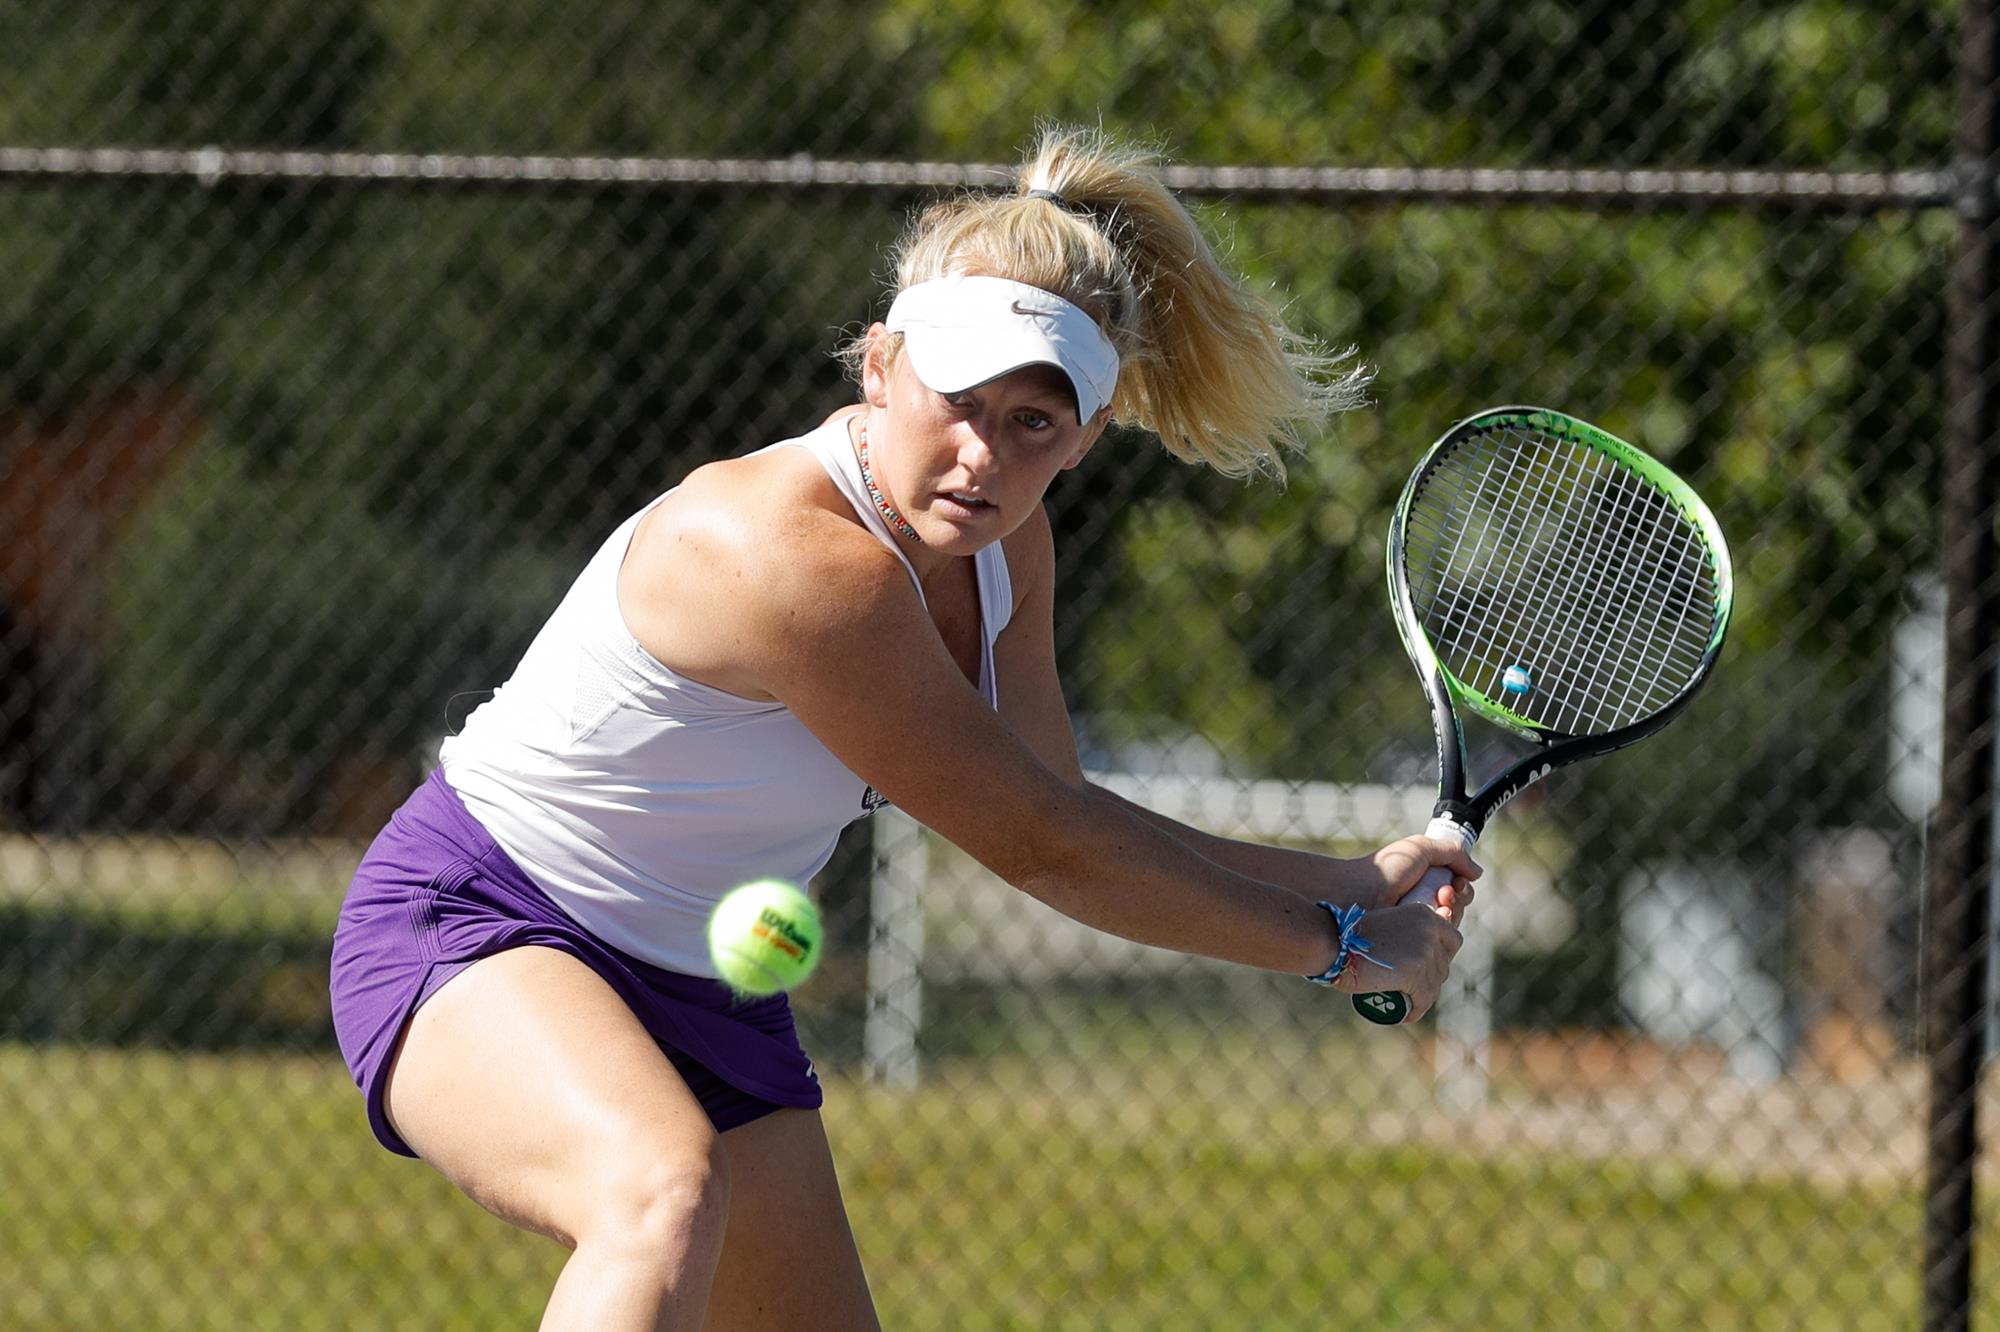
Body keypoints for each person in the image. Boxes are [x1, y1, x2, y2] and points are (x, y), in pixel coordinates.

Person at [329, 125, 1478, 1332]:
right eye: (956, 399)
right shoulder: (793, 557)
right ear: (877, 366)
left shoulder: (1005, 545)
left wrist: (1349, 884)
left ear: (1087, 438)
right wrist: (1337, 945)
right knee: (655, 1193)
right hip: (479, 923)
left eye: (1035, 422)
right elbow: (1041, 850)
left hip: (704, 993)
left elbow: (1058, 812)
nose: (983, 453)